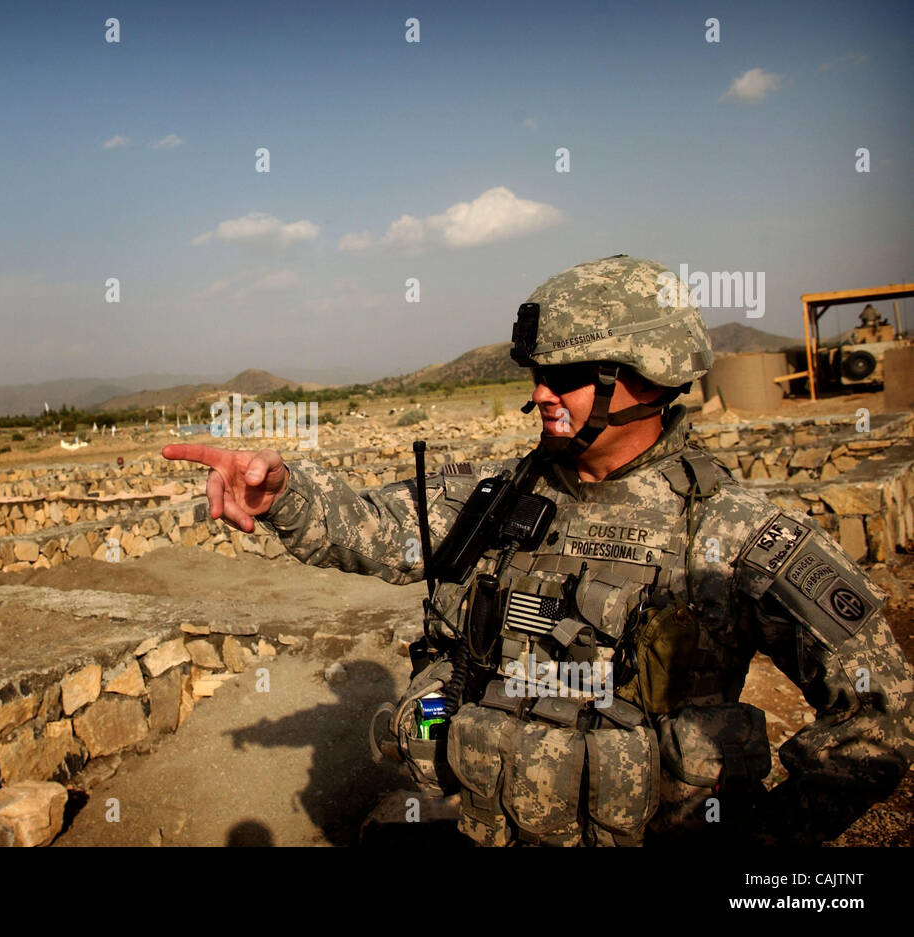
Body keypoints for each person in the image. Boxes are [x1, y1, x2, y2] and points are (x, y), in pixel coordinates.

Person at [162, 255, 914, 846]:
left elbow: (881, 720)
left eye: (566, 375)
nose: (542, 393)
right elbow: (374, 525)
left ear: (643, 379)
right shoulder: (500, 499)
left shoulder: (732, 532)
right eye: (536, 374)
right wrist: (284, 492)